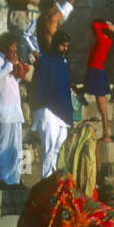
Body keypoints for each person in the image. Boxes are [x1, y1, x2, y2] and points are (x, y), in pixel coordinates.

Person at [0, 33, 26, 189]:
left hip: (15, 108)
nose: (15, 49)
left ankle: (16, 179)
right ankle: (3, 179)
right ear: (5, 46)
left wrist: (20, 71)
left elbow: (13, 82)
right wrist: (9, 64)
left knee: (17, 146)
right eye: (13, 46)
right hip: (2, 109)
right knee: (1, 145)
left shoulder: (13, 60)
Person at [31, 31, 73, 175]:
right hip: (48, 111)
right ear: (56, 44)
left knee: (58, 148)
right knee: (49, 149)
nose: (65, 49)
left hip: (62, 112)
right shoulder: (44, 60)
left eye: (67, 46)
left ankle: (54, 179)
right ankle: (47, 180)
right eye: (63, 45)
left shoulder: (63, 62)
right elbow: (38, 85)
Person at [86, 18, 114, 144]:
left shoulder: (103, 39)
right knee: (101, 105)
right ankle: (106, 133)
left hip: (97, 71)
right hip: (95, 71)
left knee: (102, 105)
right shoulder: (106, 40)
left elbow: (94, 24)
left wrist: (106, 25)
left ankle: (106, 134)